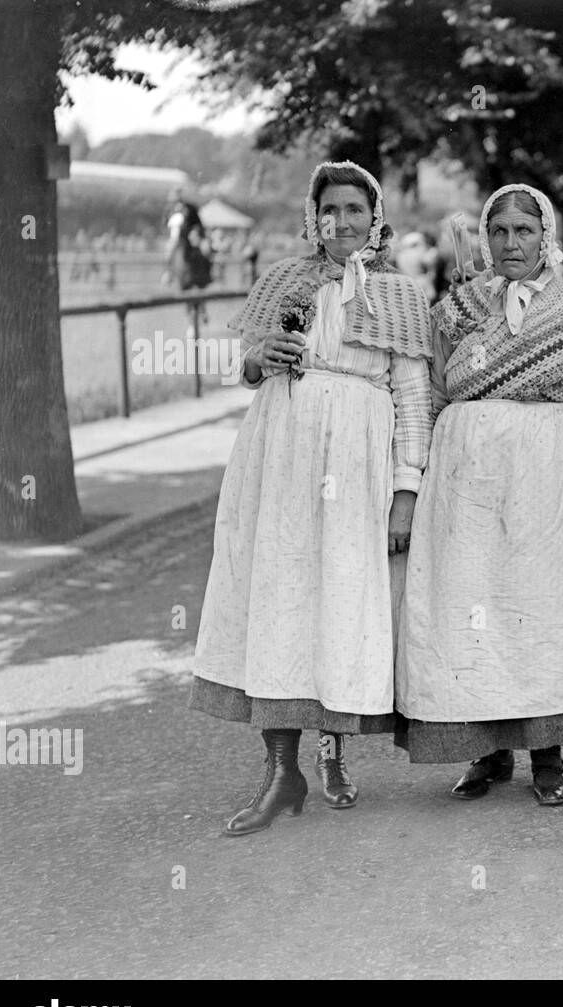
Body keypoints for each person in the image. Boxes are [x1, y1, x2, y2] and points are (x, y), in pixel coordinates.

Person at [190, 161, 434, 836]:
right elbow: (242, 370)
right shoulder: (285, 280)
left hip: (356, 460)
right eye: (329, 210)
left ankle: (331, 754)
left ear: (374, 215)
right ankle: (280, 770)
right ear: (313, 216)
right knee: (279, 597)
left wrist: (406, 490)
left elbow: (414, 397)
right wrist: (262, 354)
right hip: (281, 452)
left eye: (355, 209)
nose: (342, 222)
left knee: (339, 602)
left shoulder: (398, 293)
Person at [394, 184, 563, 807]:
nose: (511, 243)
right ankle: (486, 749)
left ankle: (546, 753)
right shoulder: (458, 308)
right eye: (499, 232)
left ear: (545, 237)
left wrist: (561, 458)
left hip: (550, 481)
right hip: (469, 478)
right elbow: (440, 388)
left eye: (525, 231)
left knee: (540, 606)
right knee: (473, 600)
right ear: (487, 238)